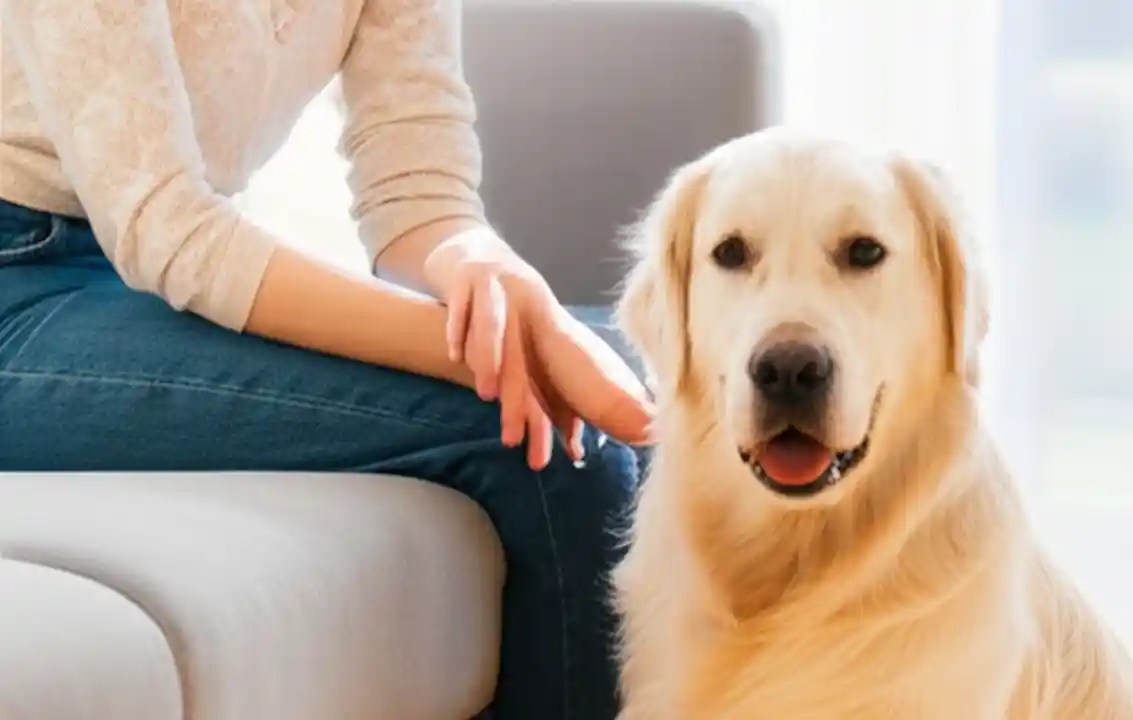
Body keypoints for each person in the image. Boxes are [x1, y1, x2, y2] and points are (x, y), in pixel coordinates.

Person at [0, 1, 652, 718]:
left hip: (141, 285)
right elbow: (166, 227)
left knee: (644, 406)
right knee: (551, 452)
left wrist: (490, 274)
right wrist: (493, 359)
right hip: (26, 285)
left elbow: (417, 190)